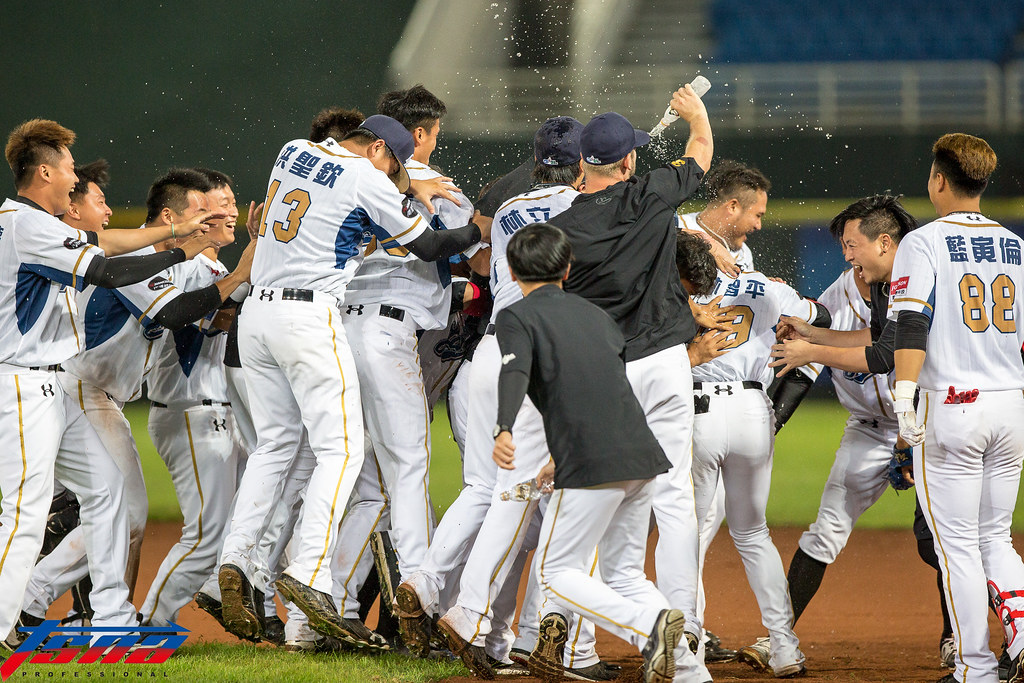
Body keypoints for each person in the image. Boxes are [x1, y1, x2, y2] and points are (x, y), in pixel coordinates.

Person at [216, 114, 489, 649]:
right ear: (382, 150)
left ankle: (237, 561)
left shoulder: (292, 148)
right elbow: (433, 247)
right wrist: (474, 221)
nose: (393, 177)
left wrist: (405, 185)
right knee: (346, 454)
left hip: (258, 320)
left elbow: (340, 228)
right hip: (316, 319)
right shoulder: (367, 178)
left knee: (276, 449)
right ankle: (314, 578)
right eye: (393, 165)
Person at [0, 118, 222, 642]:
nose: (73, 176)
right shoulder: (27, 224)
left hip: (50, 386)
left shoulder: (31, 223)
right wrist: (178, 251)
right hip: (23, 384)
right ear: (44, 172)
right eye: (69, 169)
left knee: (107, 494)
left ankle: (112, 619)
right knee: (24, 517)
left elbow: (107, 240)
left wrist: (173, 233)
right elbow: (105, 267)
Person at [396, 116, 594, 678]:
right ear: (582, 164)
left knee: (485, 486)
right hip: (536, 353)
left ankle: (428, 582)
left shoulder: (509, 210)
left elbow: (482, 262)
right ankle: (483, 622)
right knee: (527, 499)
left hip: (487, 354)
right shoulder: (583, 210)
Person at [548, 86, 715, 682]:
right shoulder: (652, 193)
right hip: (669, 365)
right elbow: (698, 153)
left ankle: (591, 641)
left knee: (597, 523)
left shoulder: (563, 226)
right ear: (627, 162)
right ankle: (685, 637)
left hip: (610, 377)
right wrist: (696, 115)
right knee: (673, 502)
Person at [486, 222, 681, 683]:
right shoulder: (598, 317)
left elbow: (513, 372)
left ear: (513, 273)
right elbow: (604, 387)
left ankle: (648, 629)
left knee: (556, 573)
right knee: (627, 574)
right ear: (568, 269)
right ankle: (689, 666)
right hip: (639, 453)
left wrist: (504, 427)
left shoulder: (518, 316)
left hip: (594, 462)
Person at [335, 86, 477, 630]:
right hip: (388, 334)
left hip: (339, 329)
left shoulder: (348, 180)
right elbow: (470, 259)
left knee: (369, 483)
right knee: (409, 470)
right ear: (416, 135)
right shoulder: (443, 192)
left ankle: (326, 610)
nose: (436, 142)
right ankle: (419, 599)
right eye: (434, 132)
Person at [891, 133, 1024, 683]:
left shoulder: (922, 243)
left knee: (958, 549)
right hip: (1011, 406)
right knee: (995, 536)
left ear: (939, 180)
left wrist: (903, 399)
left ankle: (975, 667)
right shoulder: (1015, 245)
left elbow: (910, 323)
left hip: (953, 407)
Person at [681, 232, 829, 678]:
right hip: (753, 412)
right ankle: (784, 649)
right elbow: (819, 314)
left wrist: (709, 248)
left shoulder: (682, 284)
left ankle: (687, 642)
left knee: (686, 531)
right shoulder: (765, 286)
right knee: (753, 533)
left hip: (699, 410)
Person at [140, 168, 253, 629]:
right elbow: (194, 321)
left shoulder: (211, 268)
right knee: (206, 535)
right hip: (189, 411)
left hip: (210, 412)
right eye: (216, 204)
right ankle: (146, 625)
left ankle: (219, 598)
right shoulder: (185, 266)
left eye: (231, 201)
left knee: (228, 529)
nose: (228, 211)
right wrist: (244, 278)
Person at [678, 159, 770, 277]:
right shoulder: (675, 226)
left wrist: (766, 289)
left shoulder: (744, 254)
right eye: (758, 215)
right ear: (732, 207)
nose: (758, 225)